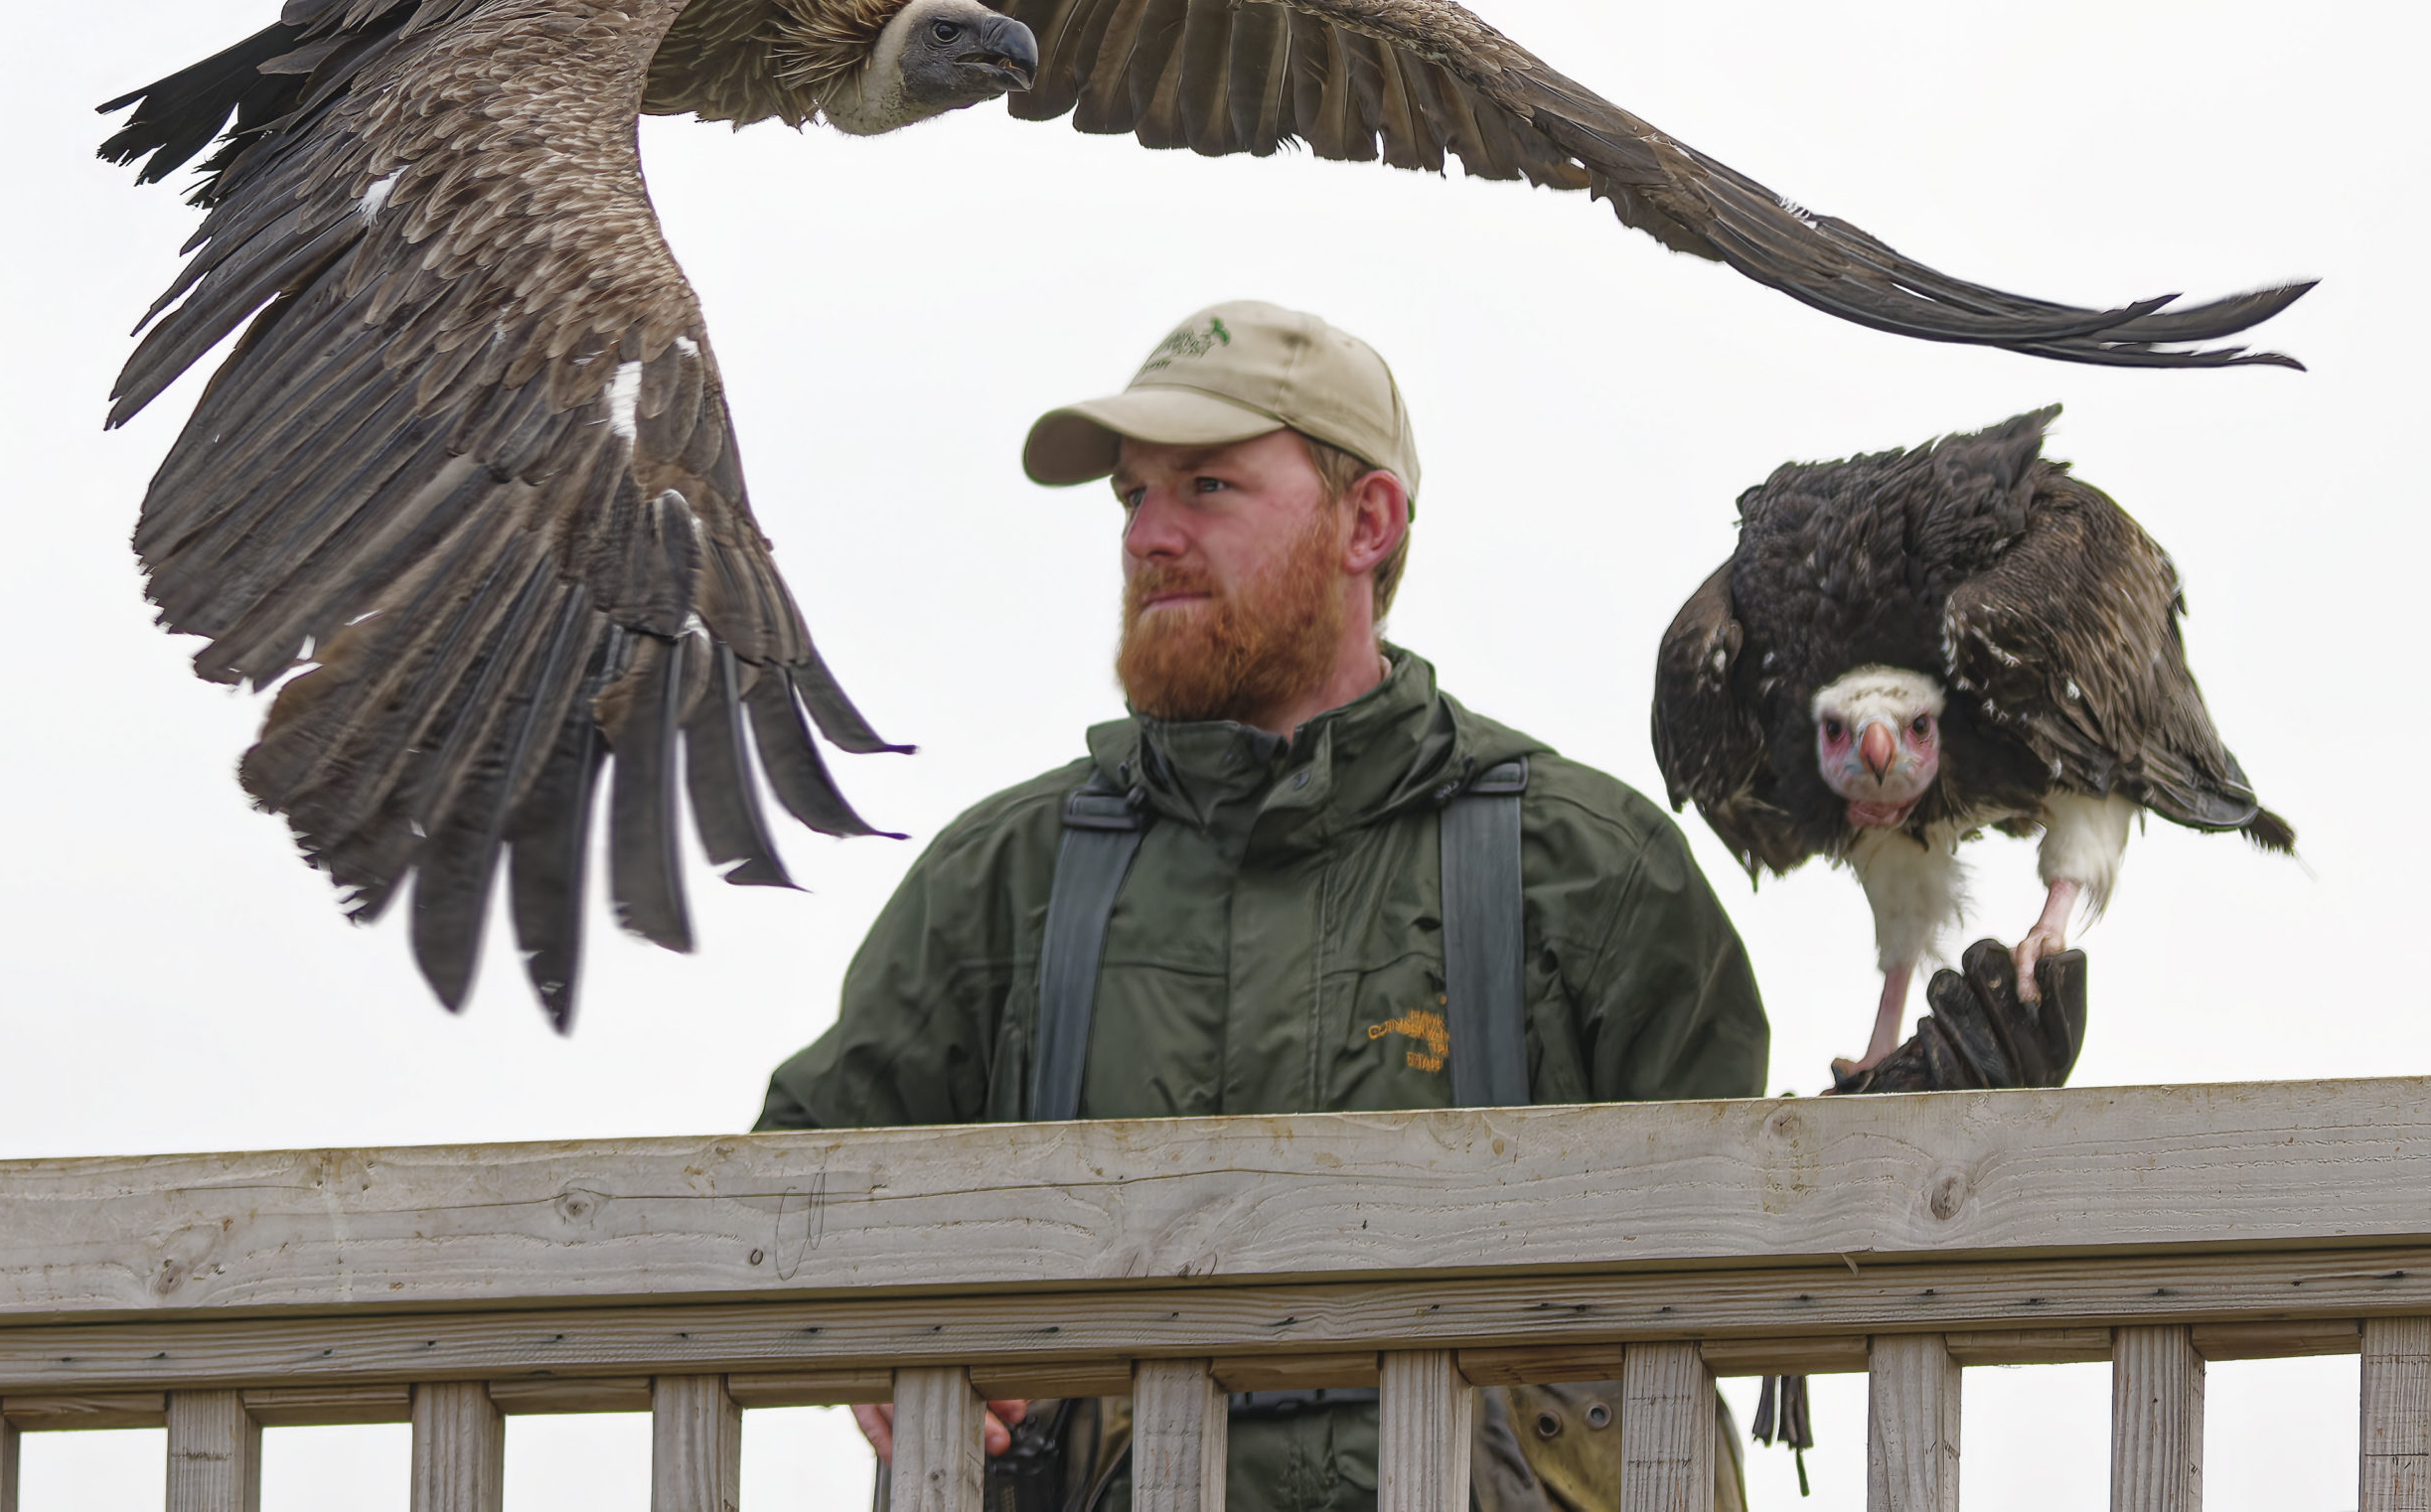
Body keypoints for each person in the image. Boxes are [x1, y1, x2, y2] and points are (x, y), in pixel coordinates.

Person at [756, 300, 1769, 1511]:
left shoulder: (1590, 865)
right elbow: (790, 1195)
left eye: (1209, 488)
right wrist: (879, 1329)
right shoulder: (1006, 875)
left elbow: (1751, 1223)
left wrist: (1933, 1104)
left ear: (1367, 521)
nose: (1150, 537)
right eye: (1132, 496)